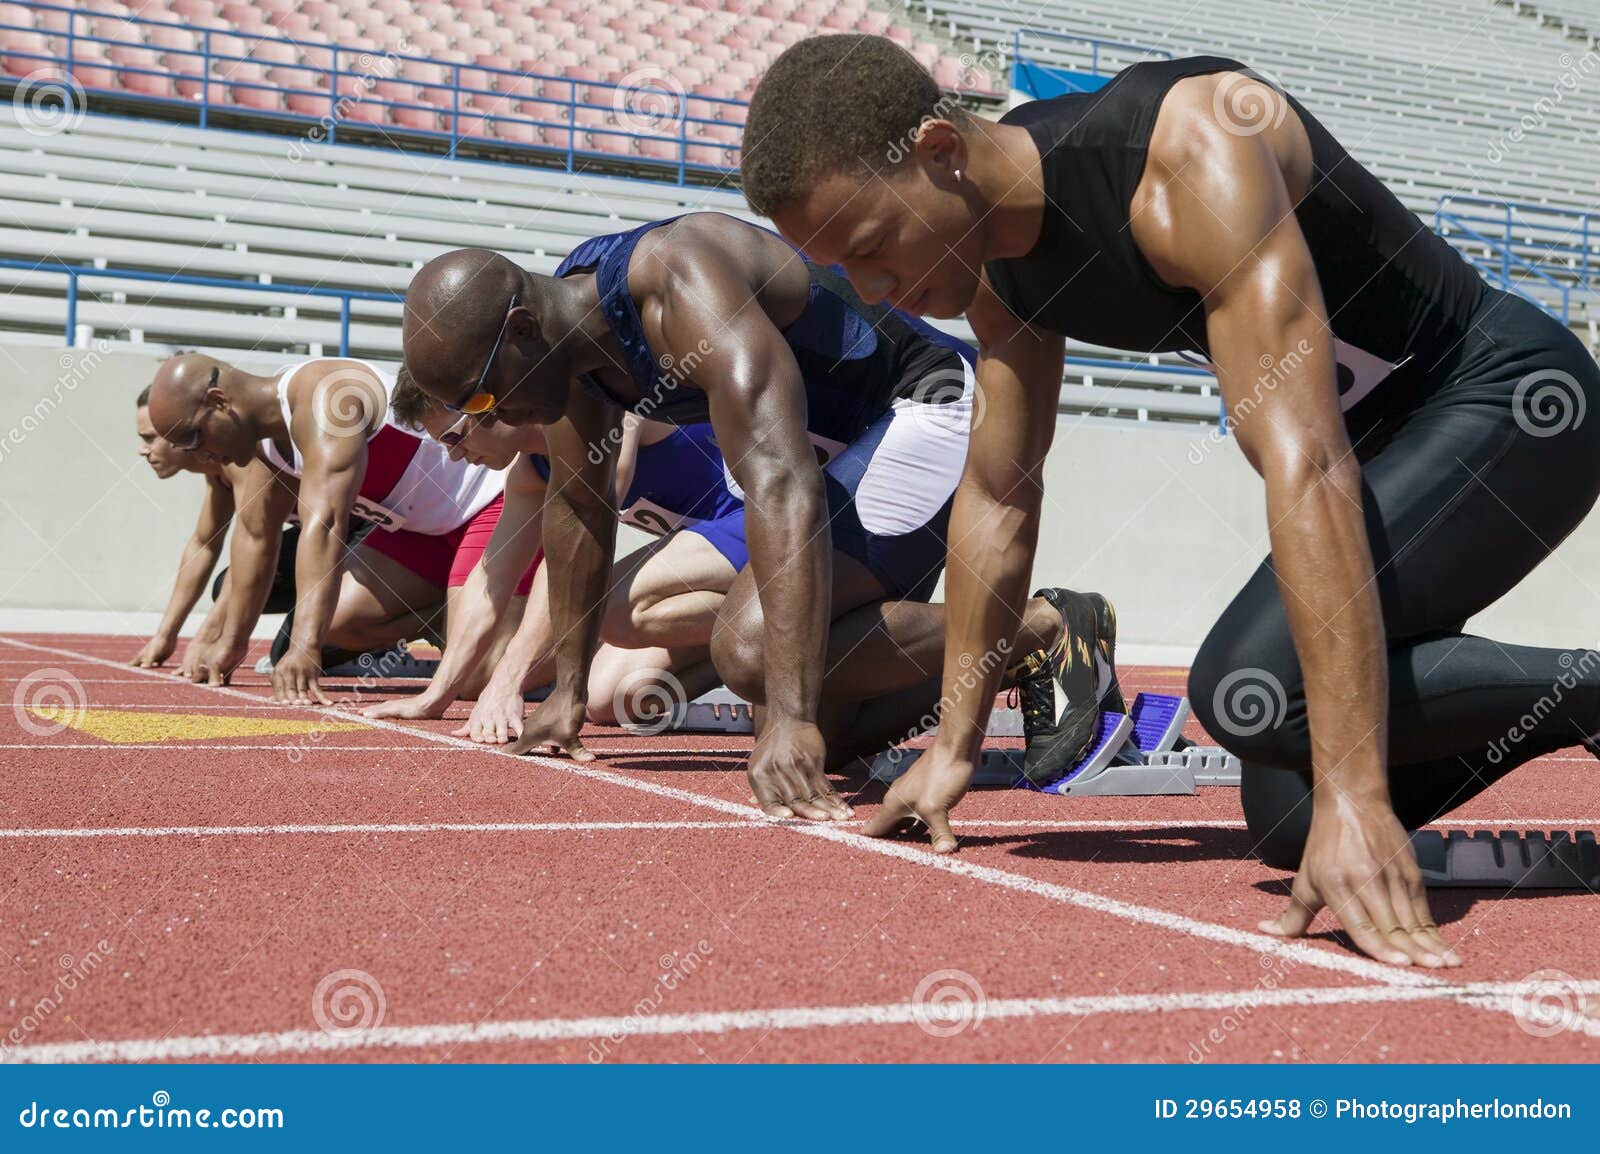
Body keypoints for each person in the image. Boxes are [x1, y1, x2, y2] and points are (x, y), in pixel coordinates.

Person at [740, 34, 1600, 967]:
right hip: (1383, 454)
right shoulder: (993, 264)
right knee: (1290, 824)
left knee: (1251, 694)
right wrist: (952, 745)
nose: (876, 292)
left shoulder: (1187, 152)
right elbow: (997, 495)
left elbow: (1307, 465)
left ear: (942, 151)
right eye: (846, 272)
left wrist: (1362, 799)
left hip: (1510, 402)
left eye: (872, 249)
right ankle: (1570, 700)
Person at [400, 215, 1113, 817]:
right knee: (830, 736)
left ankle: (1048, 624)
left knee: (750, 652)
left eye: (483, 400)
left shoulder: (676, 283)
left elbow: (781, 482)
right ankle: (1008, 655)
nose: (485, 422)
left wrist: (790, 717)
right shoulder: (569, 355)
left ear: (523, 329)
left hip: (929, 402)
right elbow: (581, 509)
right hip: (838, 452)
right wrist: (567, 692)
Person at [364, 371, 753, 738]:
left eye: (453, 437)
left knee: (615, 609)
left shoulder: (607, 414)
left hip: (762, 522)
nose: (454, 456)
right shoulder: (532, 470)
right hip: (717, 554)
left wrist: (508, 680)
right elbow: (491, 577)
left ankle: (800, 619)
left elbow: (576, 551)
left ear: (490, 406)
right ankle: (768, 641)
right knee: (610, 698)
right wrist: (437, 694)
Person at [144, 353, 521, 704]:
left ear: (219, 402)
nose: (199, 456)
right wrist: (229, 641)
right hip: (420, 532)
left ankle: (551, 631)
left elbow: (325, 525)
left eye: (192, 438)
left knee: (471, 681)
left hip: (487, 502)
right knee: (337, 627)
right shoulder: (260, 438)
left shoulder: (329, 395)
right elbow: (257, 535)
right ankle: (455, 618)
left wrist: (305, 647)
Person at [130, 385, 302, 676]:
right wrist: (165, 635)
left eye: (149, 438)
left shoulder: (241, 459)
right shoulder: (216, 469)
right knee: (226, 587)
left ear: (181, 431)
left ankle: (370, 646)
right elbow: (204, 543)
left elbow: (256, 541)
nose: (141, 450)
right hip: (331, 541)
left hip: (367, 537)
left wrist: (211, 634)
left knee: (291, 648)